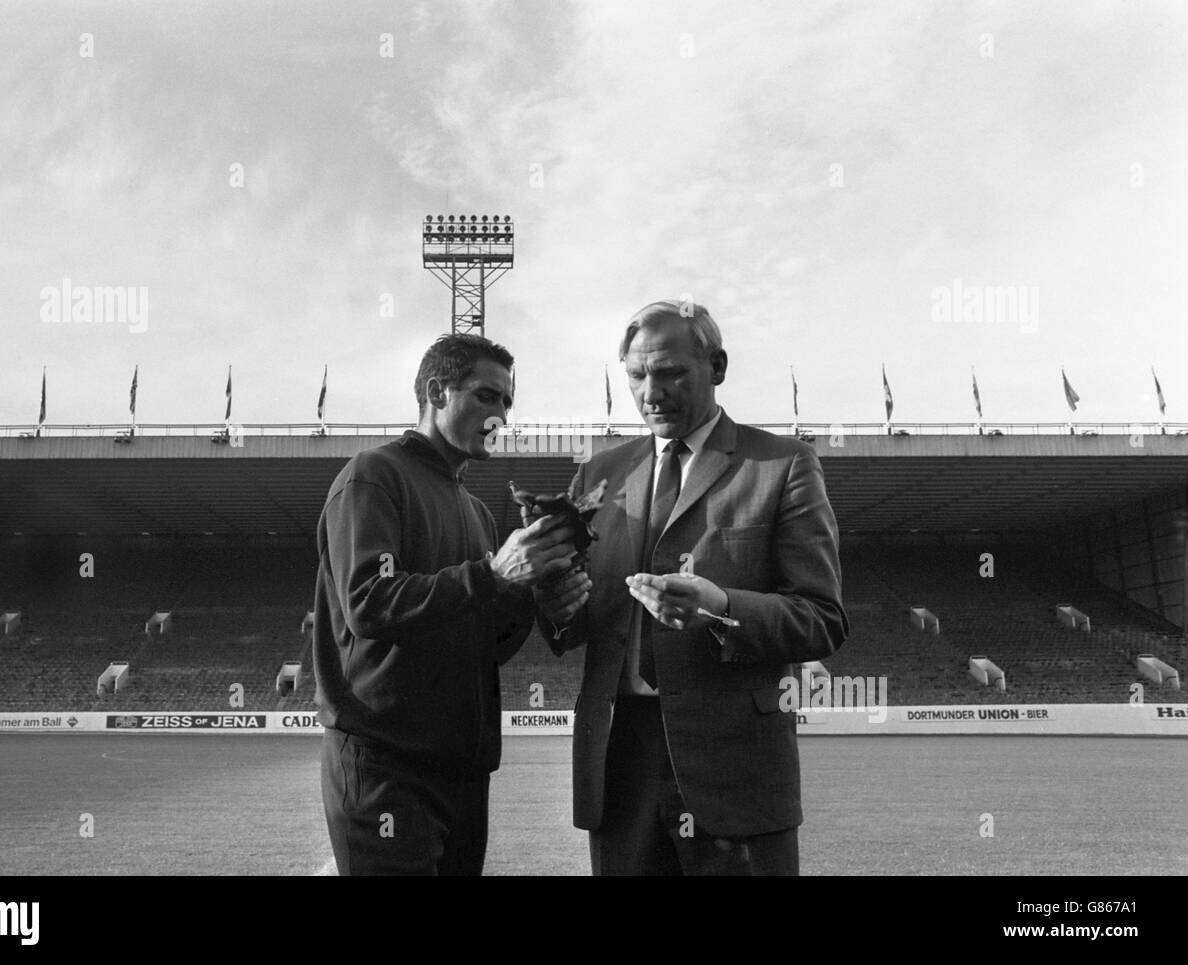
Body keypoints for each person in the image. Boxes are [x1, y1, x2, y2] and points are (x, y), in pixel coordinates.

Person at [541, 300, 849, 875]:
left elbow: (822, 617)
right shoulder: (597, 476)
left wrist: (721, 607)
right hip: (619, 765)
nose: (650, 391)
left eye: (670, 372)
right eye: (636, 375)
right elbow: (581, 617)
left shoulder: (783, 464)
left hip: (736, 768)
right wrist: (557, 607)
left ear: (718, 365)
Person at [313, 333, 586, 875]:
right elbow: (368, 604)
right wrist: (490, 573)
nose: (500, 415)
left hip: (463, 770)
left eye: (507, 402)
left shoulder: (478, 512)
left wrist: (532, 593)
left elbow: (487, 643)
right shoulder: (373, 476)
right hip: (385, 762)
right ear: (437, 392)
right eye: (487, 397)